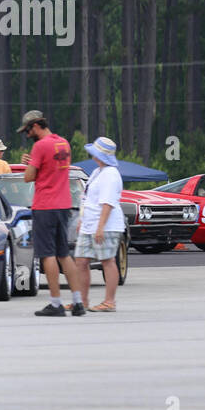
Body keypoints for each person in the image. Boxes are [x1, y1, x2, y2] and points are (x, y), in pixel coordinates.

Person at [18, 110, 84, 316]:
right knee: (64, 254)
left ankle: (56, 303)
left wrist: (29, 163)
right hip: (64, 204)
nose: (27, 135)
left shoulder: (40, 146)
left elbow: (28, 177)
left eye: (28, 131)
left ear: (36, 126)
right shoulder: (63, 143)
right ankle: (77, 302)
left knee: (48, 255)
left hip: (45, 205)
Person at [74, 136, 125, 312]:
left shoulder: (110, 174)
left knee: (107, 261)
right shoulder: (98, 172)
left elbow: (107, 203)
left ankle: (109, 301)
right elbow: (89, 198)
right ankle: (82, 300)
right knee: (80, 260)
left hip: (106, 225)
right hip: (90, 224)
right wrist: (83, 220)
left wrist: (100, 227)